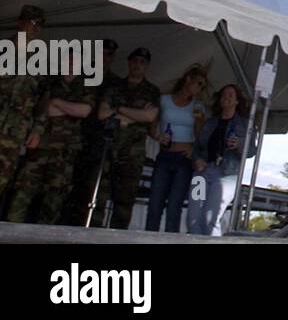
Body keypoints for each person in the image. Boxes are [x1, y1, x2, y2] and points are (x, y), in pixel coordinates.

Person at [4, 70, 92, 224]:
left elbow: (84, 111)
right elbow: (38, 108)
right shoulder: (50, 80)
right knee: (21, 194)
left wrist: (56, 101)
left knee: (53, 201)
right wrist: (67, 109)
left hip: (65, 151)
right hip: (39, 147)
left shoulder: (86, 83)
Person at [63, 38, 121, 226]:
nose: (105, 57)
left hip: (101, 144)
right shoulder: (81, 75)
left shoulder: (117, 83)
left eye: (109, 54)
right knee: (66, 190)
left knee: (95, 195)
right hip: (74, 139)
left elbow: (119, 112)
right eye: (102, 52)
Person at [101, 47, 161, 229]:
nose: (137, 65)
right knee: (99, 197)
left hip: (132, 153)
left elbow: (150, 117)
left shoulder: (151, 91)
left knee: (124, 203)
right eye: (134, 61)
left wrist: (118, 110)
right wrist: (136, 115)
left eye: (142, 62)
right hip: (108, 149)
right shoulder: (115, 86)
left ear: (147, 66)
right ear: (128, 62)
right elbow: (102, 113)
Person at [145, 64, 208, 232]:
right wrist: (158, 136)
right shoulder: (165, 100)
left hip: (183, 159)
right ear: (188, 79)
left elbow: (201, 137)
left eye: (203, 86)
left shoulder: (197, 106)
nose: (200, 88)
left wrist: (200, 122)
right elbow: (152, 127)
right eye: (199, 84)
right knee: (155, 204)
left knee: (174, 206)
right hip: (165, 155)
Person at [186, 83, 255, 236]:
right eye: (224, 95)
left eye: (231, 95)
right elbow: (197, 146)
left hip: (228, 175)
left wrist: (239, 145)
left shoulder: (245, 124)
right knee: (193, 217)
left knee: (211, 216)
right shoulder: (210, 122)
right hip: (202, 174)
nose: (226, 98)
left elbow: (251, 151)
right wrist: (196, 160)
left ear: (237, 101)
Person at [0, 6, 47, 218]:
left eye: (40, 25)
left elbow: (43, 99)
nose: (35, 29)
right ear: (20, 22)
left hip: (15, 132)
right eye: (32, 23)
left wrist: (37, 130)